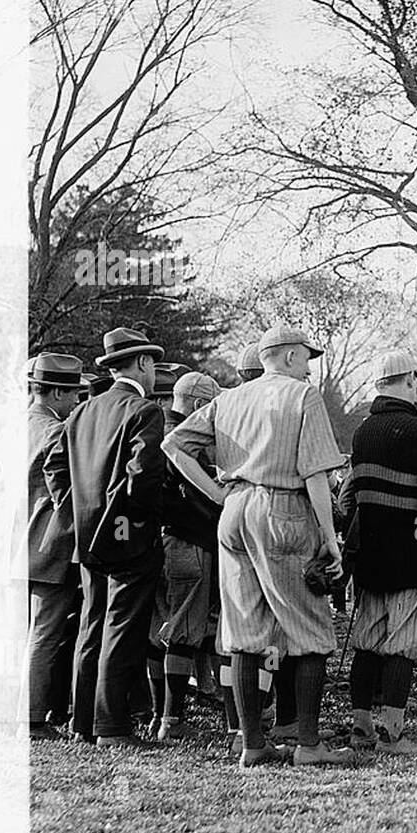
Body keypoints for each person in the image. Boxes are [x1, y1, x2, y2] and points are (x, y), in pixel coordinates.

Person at [163, 323, 352, 768]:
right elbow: (315, 474)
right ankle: (309, 744)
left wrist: (217, 494)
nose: (309, 368)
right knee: (310, 630)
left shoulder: (228, 398)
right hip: (283, 509)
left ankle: (251, 744)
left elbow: (174, 444)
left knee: (243, 633)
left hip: (234, 511)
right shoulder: (302, 395)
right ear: (289, 356)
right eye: (306, 357)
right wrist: (330, 538)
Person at [339, 350, 417, 755]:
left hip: (371, 552)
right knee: (404, 643)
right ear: (410, 382)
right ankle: (392, 735)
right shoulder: (415, 429)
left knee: (367, 641)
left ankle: (361, 727)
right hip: (412, 552)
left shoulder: (363, 431)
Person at [44, 328, 168, 748]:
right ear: (144, 363)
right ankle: (111, 726)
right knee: (122, 629)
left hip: (87, 536)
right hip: (130, 535)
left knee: (92, 625)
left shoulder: (82, 411)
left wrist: (77, 508)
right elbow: (144, 474)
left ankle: (83, 722)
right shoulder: (144, 411)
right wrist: (138, 517)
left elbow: (55, 467)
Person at [147, 371, 221, 742]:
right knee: (184, 632)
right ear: (199, 405)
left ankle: (157, 715)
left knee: (158, 630)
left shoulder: (153, 431)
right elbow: (202, 498)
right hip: (189, 541)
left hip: (157, 543)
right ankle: (171, 720)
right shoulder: (186, 442)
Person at [24, 353, 85, 739]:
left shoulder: (13, 424)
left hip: (13, 543)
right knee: (45, 633)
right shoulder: (57, 432)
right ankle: (31, 717)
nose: (77, 401)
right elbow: (67, 493)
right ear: (58, 393)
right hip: (48, 543)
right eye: (73, 394)